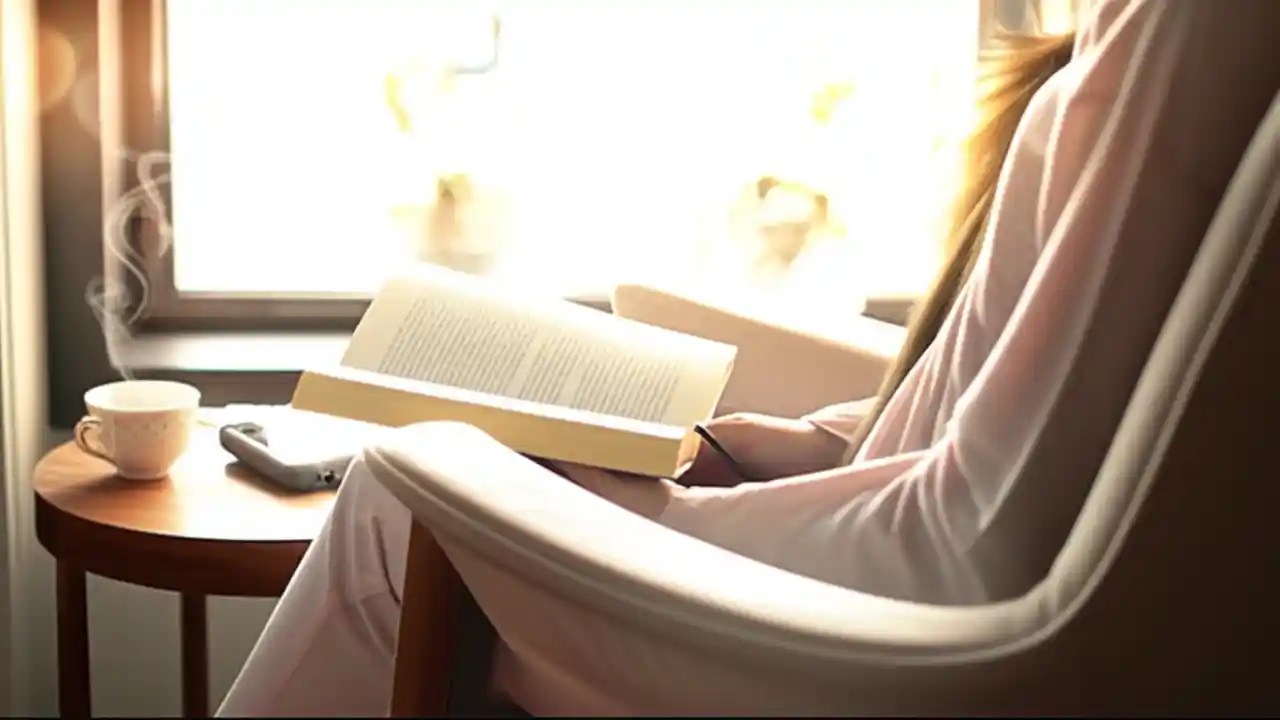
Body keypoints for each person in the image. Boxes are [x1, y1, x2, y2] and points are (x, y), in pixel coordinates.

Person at [217, 0, 1280, 715]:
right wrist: (784, 448)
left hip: (917, 645)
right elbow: (1024, 410)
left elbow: (985, 537)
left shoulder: (1188, 31)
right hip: (914, 571)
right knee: (445, 495)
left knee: (395, 515)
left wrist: (680, 521)